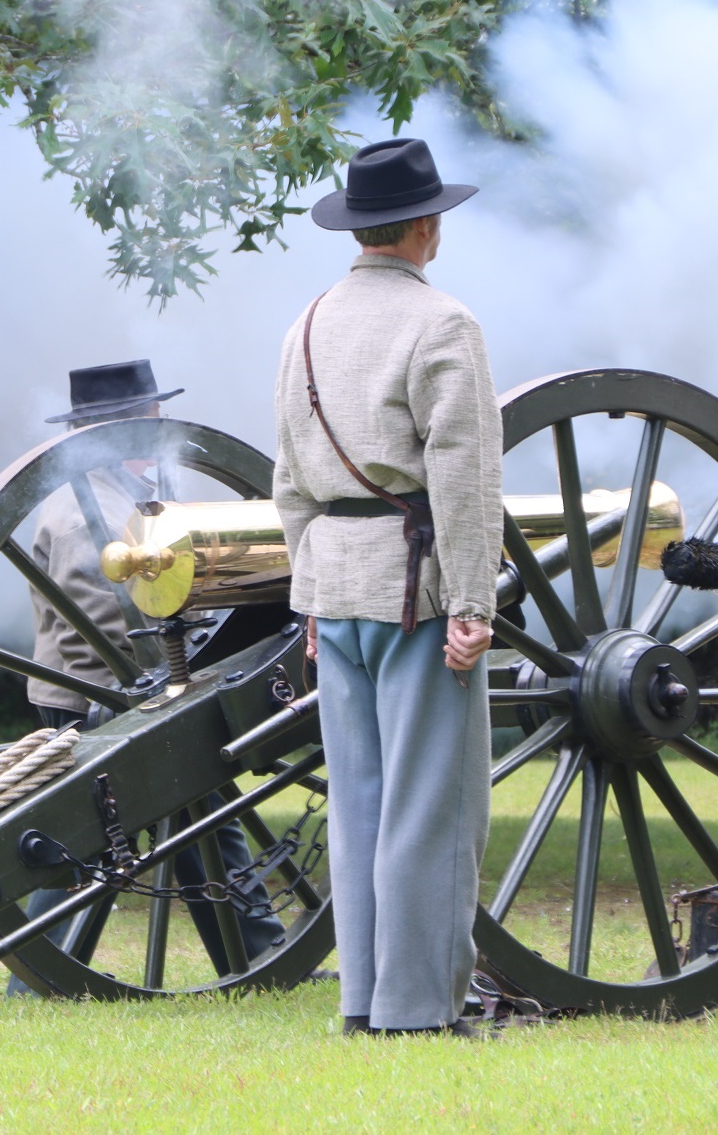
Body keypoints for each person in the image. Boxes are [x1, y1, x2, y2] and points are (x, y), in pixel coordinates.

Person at [274, 137, 501, 1036]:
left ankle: (363, 1000)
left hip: (333, 585)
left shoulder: (306, 324)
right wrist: (473, 602)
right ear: (425, 226)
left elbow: (291, 477)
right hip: (415, 590)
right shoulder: (444, 324)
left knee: (360, 805)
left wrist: (308, 590)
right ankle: (419, 1008)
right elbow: (464, 475)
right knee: (430, 806)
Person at [8, 360, 284, 993]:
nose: (160, 430)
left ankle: (258, 957)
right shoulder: (84, 515)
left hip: (131, 695)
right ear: (124, 427)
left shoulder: (119, 497)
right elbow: (111, 626)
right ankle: (37, 976)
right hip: (98, 701)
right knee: (79, 840)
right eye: (152, 419)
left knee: (205, 821)